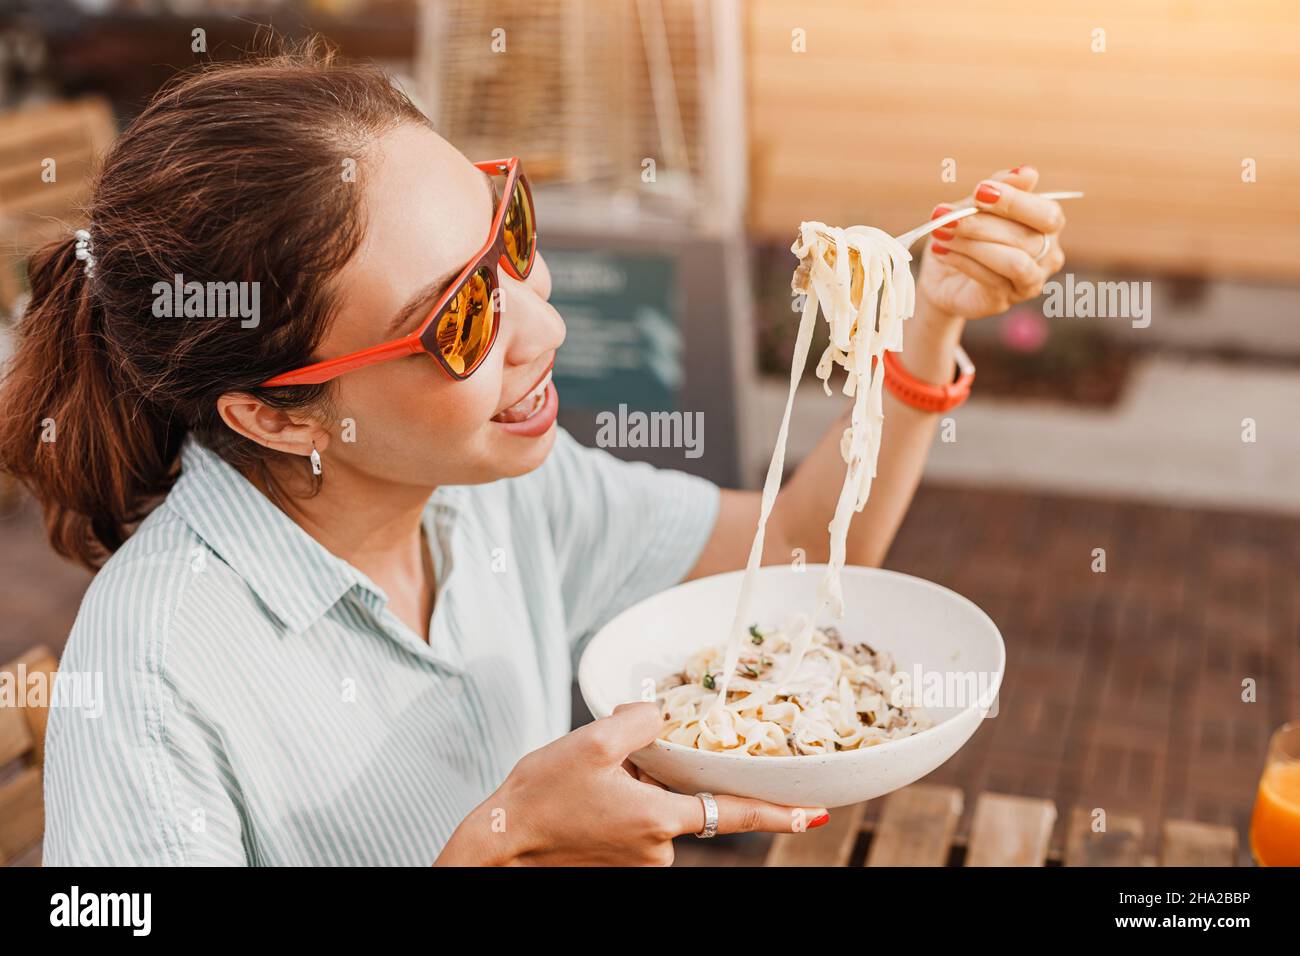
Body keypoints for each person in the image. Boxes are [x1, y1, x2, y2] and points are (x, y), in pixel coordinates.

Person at [0, 42, 1068, 865]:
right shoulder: (151, 671)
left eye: (508, 236)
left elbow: (792, 548)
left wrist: (926, 325)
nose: (542, 325)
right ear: (280, 415)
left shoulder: (493, 493)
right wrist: (497, 845)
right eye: (457, 320)